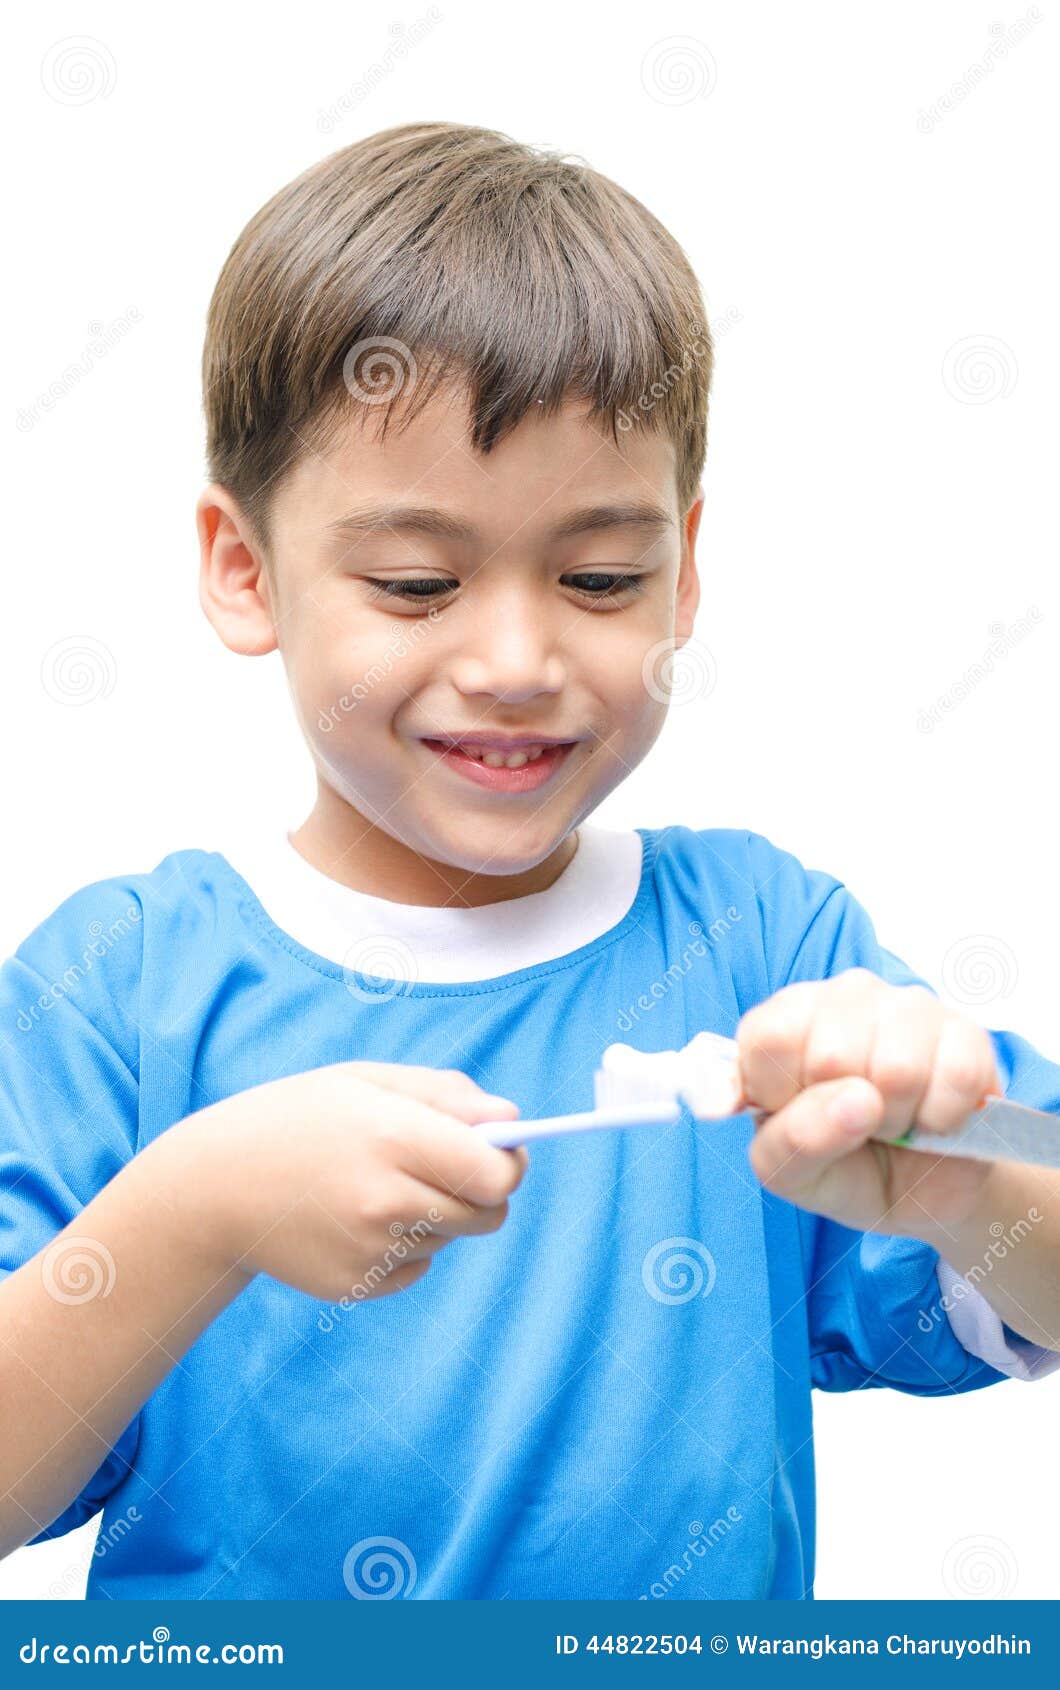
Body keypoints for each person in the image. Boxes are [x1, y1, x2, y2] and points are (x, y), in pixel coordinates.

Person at [1, 121, 1057, 1602]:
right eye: (417, 583)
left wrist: (966, 1186)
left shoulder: (768, 943)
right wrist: (198, 1209)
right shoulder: (117, 985)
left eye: (600, 578)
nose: (514, 660)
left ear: (684, 573)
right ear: (245, 571)